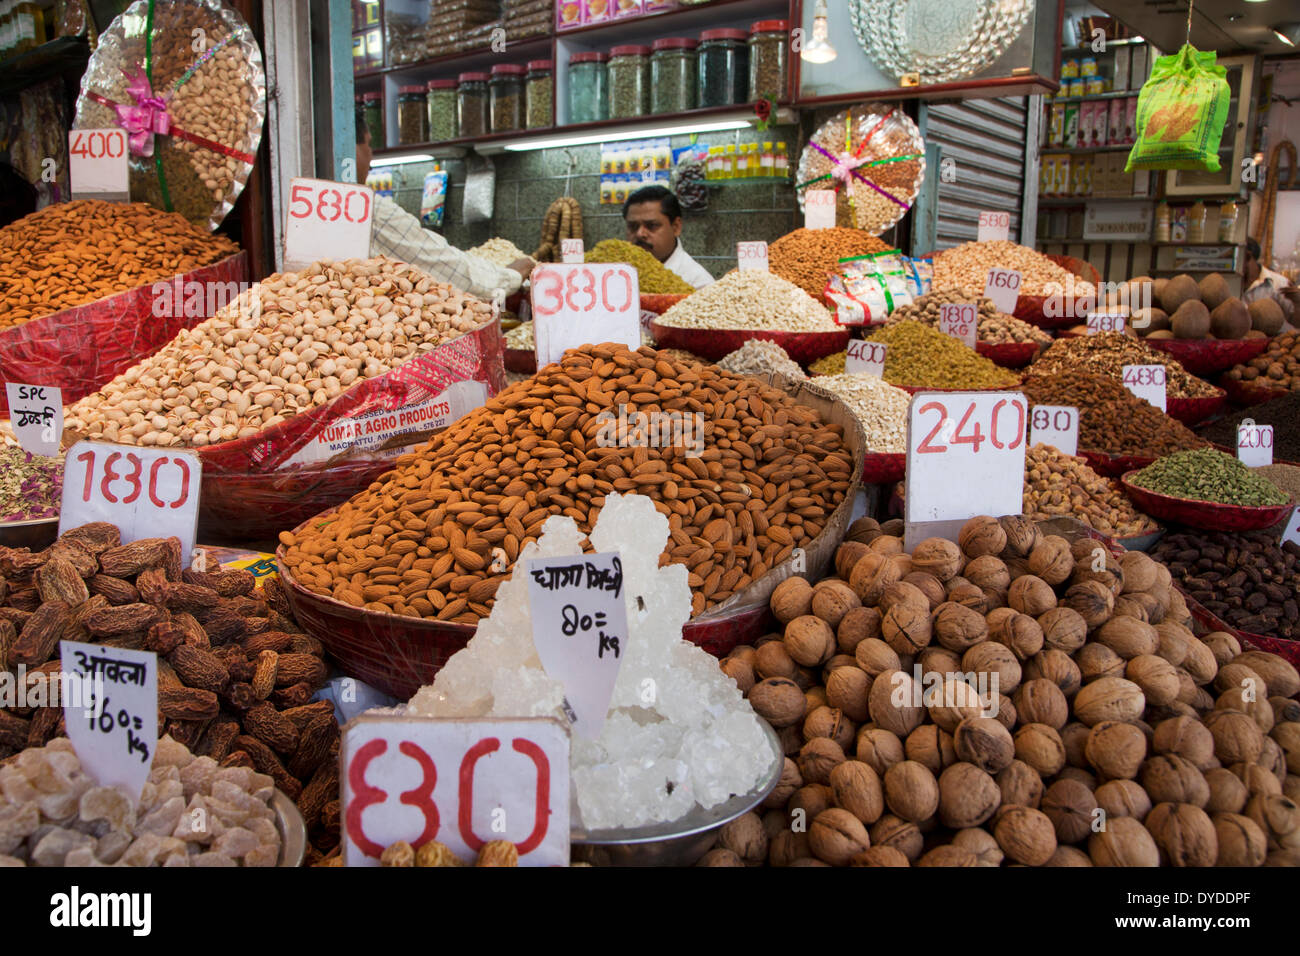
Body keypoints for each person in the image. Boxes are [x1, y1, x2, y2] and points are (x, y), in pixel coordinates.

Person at [355, 111, 534, 300]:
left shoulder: (347, 206)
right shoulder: (365, 209)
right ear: (352, 148)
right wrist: (510, 276)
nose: (371, 155)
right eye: (369, 144)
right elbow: (441, 265)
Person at [622, 184, 714, 289]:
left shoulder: (698, 284)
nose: (640, 233)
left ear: (676, 227)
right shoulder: (617, 273)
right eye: (633, 226)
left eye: (652, 225)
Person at [1243, 236, 1298, 329]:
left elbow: (1296, 322)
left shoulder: (1279, 283)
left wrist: (1298, 305)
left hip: (1276, 337)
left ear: (1248, 256)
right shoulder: (1230, 282)